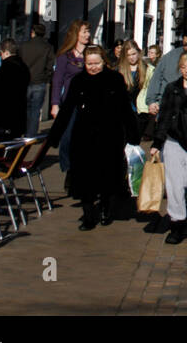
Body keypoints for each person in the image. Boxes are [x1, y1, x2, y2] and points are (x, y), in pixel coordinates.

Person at [45, 45, 140, 230]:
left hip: (109, 135)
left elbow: (124, 109)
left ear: (104, 61)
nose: (93, 67)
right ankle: (88, 214)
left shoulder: (115, 79)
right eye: (89, 64)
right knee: (84, 177)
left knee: (107, 176)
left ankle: (105, 207)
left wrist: (132, 134)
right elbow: (66, 109)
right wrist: (54, 136)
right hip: (84, 136)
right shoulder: (79, 81)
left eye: (97, 63)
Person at [150, 49, 187, 242]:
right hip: (173, 140)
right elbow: (164, 116)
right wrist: (157, 142)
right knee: (174, 186)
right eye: (183, 67)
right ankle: (177, 224)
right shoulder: (172, 88)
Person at [50, 19, 91, 176]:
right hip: (70, 103)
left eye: (88, 31)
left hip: (89, 103)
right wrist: (55, 104)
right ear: (76, 34)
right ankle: (68, 169)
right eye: (84, 31)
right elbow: (57, 80)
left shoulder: (92, 53)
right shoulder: (65, 56)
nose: (87, 35)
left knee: (85, 139)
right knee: (67, 138)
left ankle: (82, 170)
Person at [147, 29, 187, 116]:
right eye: (186, 44)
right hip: (168, 108)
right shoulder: (169, 57)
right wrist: (152, 101)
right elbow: (156, 79)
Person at [0, 39, 29, 135]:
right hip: (19, 114)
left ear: (6, 53)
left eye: (1, 53)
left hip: (3, 115)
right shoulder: (24, 67)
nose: (1, 56)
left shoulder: (5, 69)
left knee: (0, 143)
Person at [18, 22, 55, 136]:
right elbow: (50, 65)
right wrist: (47, 77)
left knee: (23, 108)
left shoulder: (24, 46)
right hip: (39, 81)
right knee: (35, 110)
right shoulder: (48, 47)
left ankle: (22, 131)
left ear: (32, 33)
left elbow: (18, 63)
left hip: (24, 81)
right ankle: (31, 134)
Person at [118, 39, 153, 134]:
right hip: (123, 112)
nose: (132, 57)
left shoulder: (147, 69)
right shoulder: (119, 69)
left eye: (133, 54)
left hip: (140, 112)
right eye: (128, 55)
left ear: (138, 52)